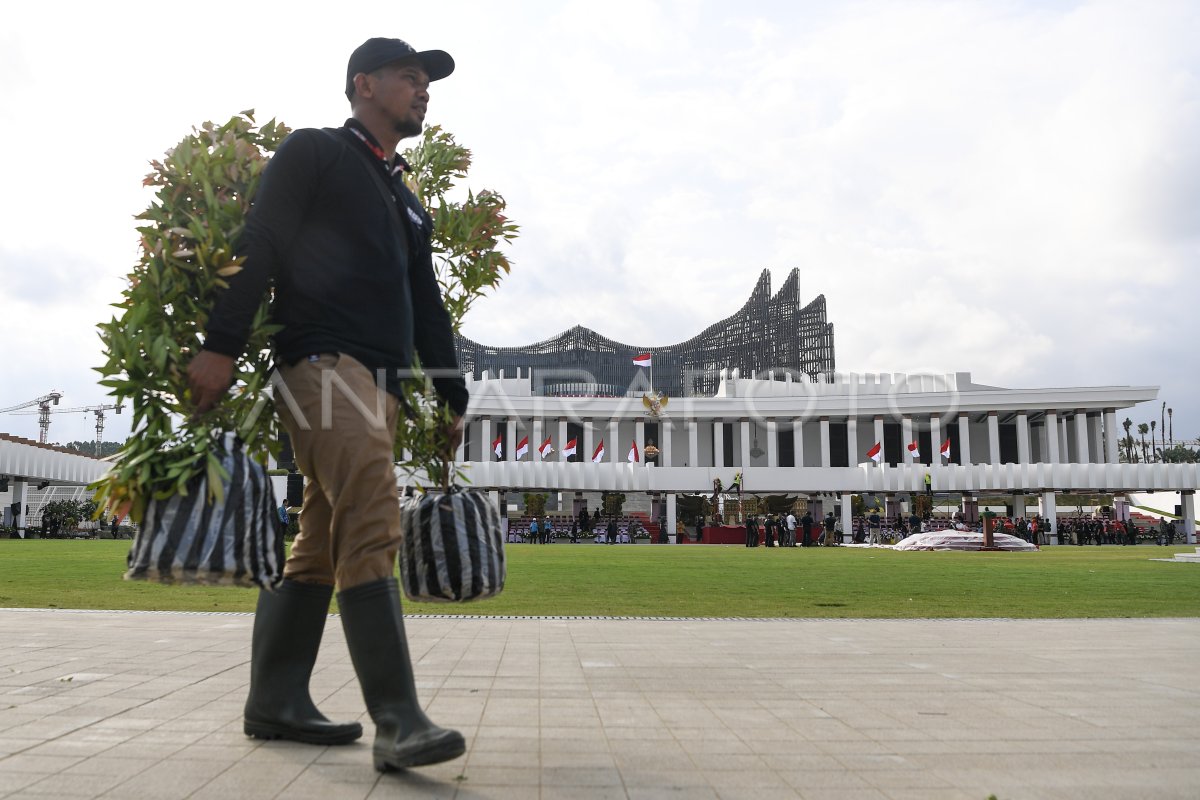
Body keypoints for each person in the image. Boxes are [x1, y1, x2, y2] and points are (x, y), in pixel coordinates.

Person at [186, 37, 466, 770]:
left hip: (381, 384)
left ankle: (276, 701)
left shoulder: (405, 198)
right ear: (363, 84)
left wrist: (452, 393)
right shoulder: (314, 151)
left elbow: (426, 304)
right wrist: (222, 343)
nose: (423, 90)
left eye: (427, 81)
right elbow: (263, 239)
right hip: (320, 365)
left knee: (321, 538)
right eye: (411, 78)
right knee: (372, 512)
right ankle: (399, 720)